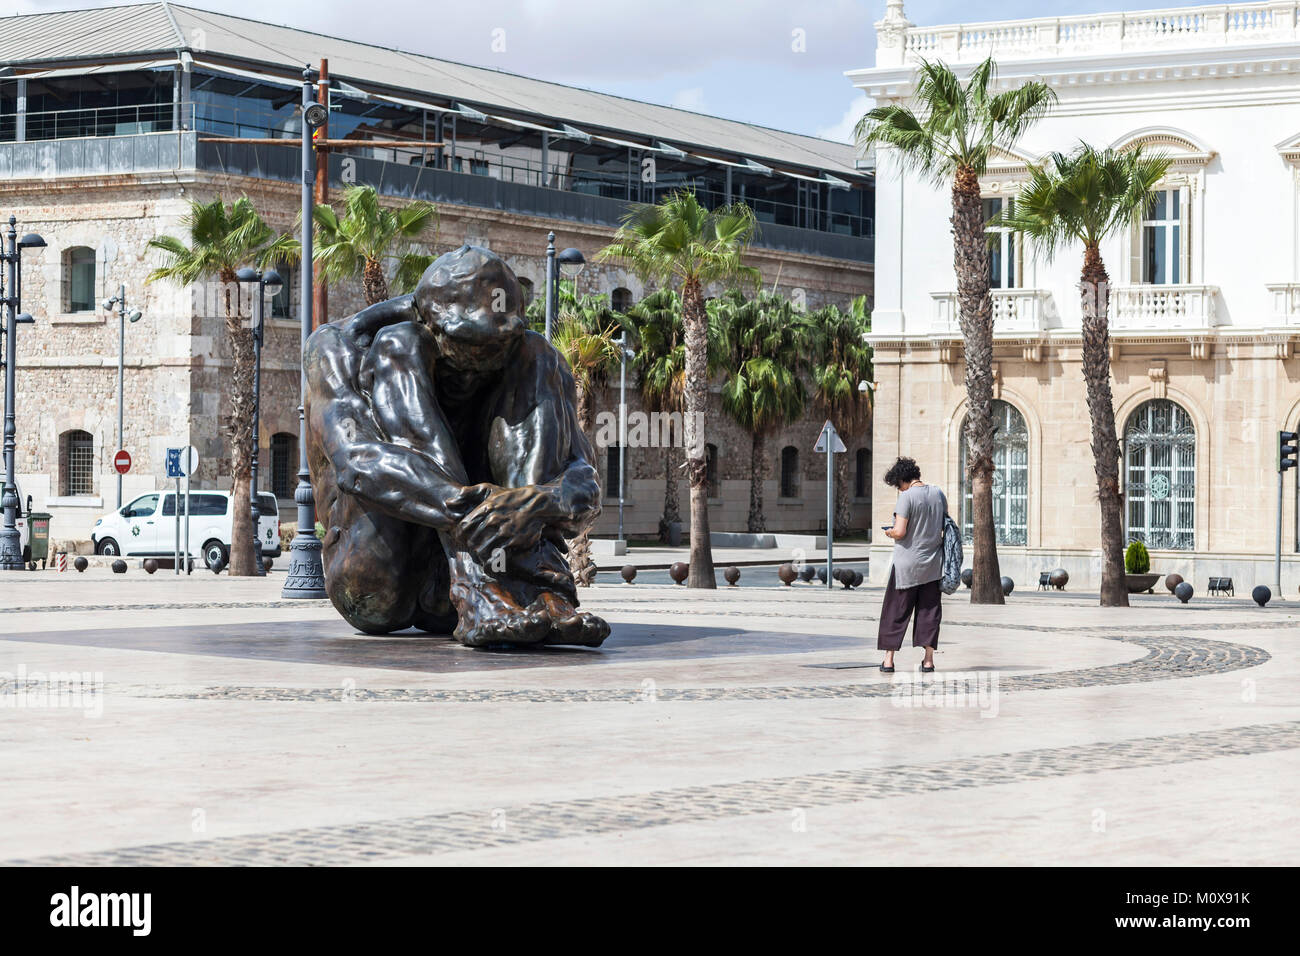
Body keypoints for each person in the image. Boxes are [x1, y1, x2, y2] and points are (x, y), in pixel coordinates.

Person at [303, 245, 609, 648]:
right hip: (382, 582)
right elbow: (358, 464)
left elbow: (584, 483)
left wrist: (530, 504)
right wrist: (475, 511)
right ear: (431, 324)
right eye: (473, 344)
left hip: (505, 584)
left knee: (538, 354)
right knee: (398, 348)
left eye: (502, 341)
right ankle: (477, 589)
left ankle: (538, 587)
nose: (490, 358)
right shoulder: (339, 348)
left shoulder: (523, 351)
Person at [878, 456, 946, 673]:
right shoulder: (938, 494)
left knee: (896, 611)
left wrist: (889, 532)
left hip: (906, 565)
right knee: (929, 611)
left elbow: (900, 531)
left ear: (902, 480)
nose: (899, 489)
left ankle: (888, 660)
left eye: (897, 485)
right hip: (933, 564)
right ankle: (928, 661)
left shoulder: (906, 498)